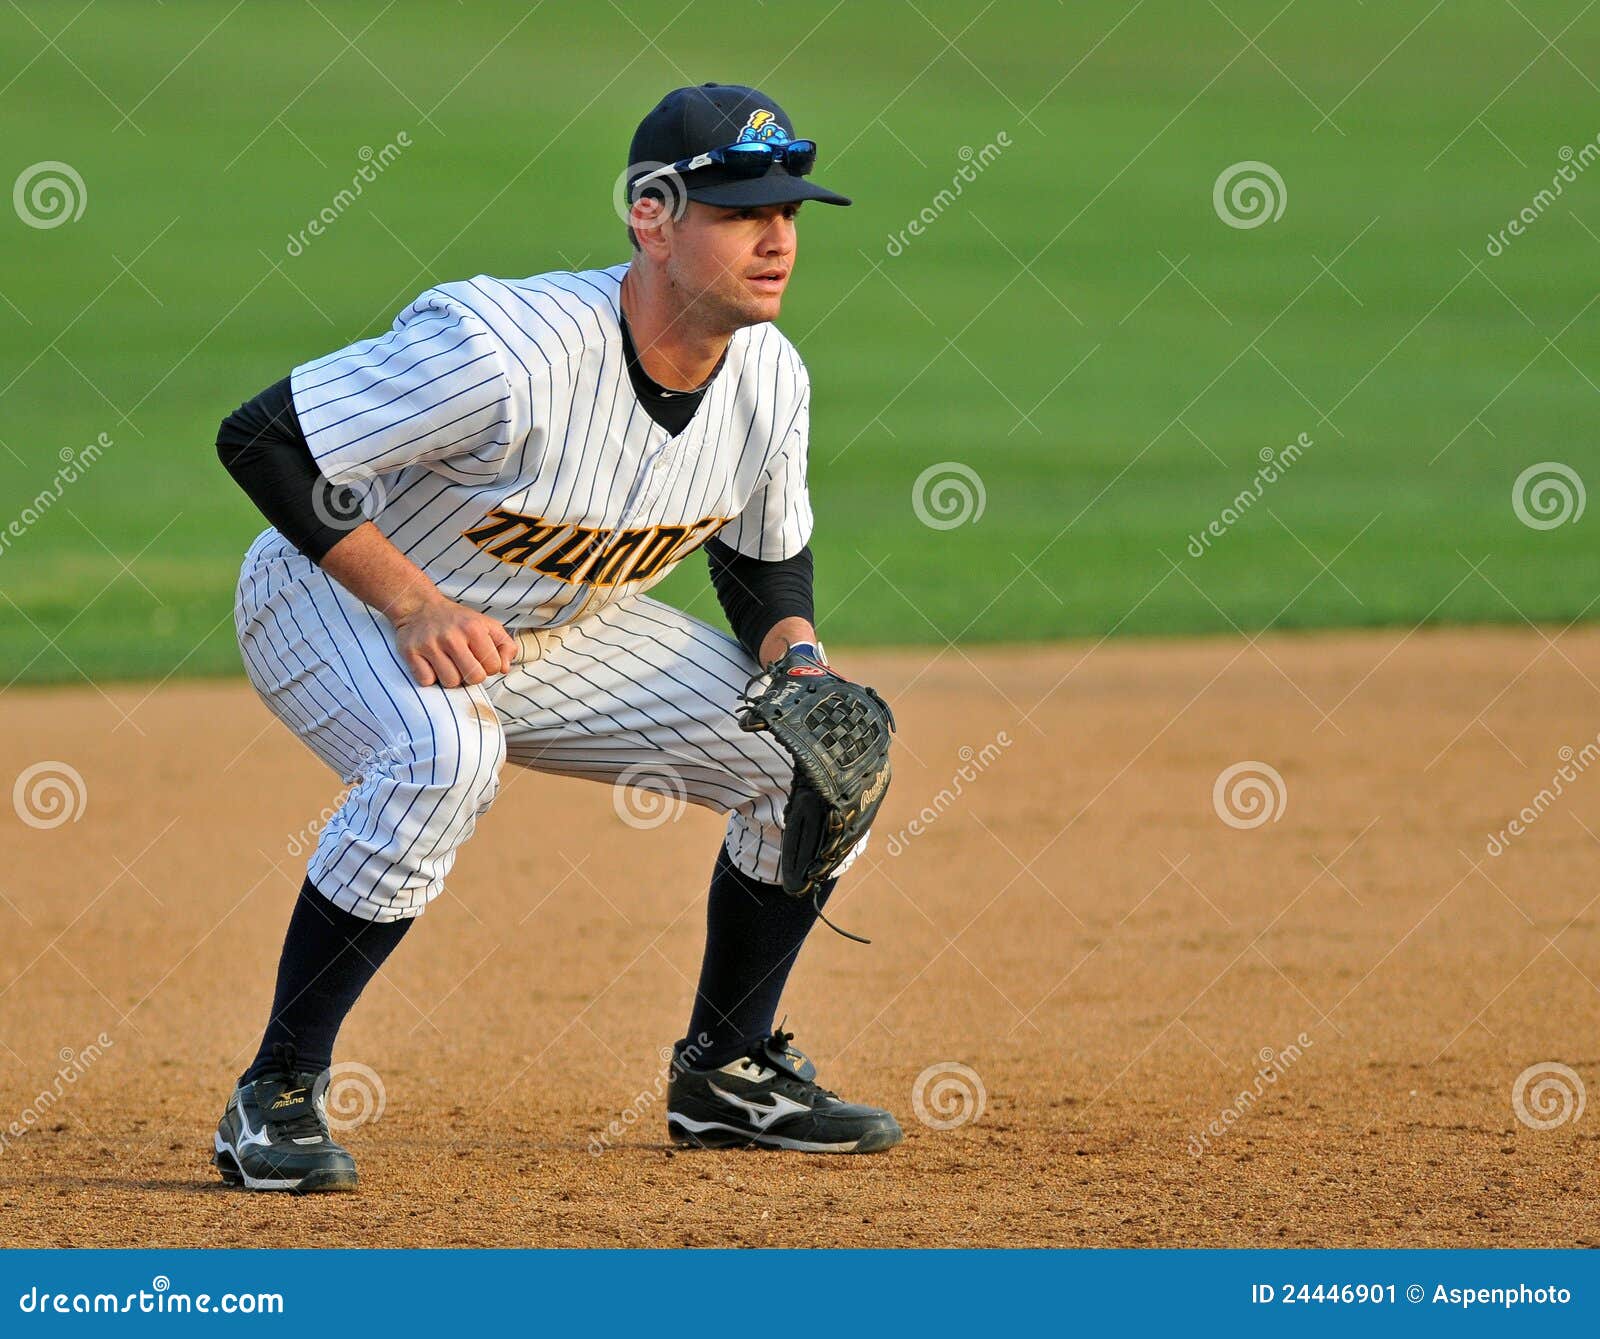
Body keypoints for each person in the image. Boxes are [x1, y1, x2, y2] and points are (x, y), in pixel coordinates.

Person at [210, 82, 901, 1193]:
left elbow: (758, 554)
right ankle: (275, 1092)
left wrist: (800, 661)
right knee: (444, 756)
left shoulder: (770, 375)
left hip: (559, 629)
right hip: (335, 598)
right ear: (653, 216)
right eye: (740, 211)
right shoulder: (504, 350)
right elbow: (266, 438)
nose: (777, 238)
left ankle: (725, 1071)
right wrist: (410, 602)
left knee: (809, 760)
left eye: (790, 211)